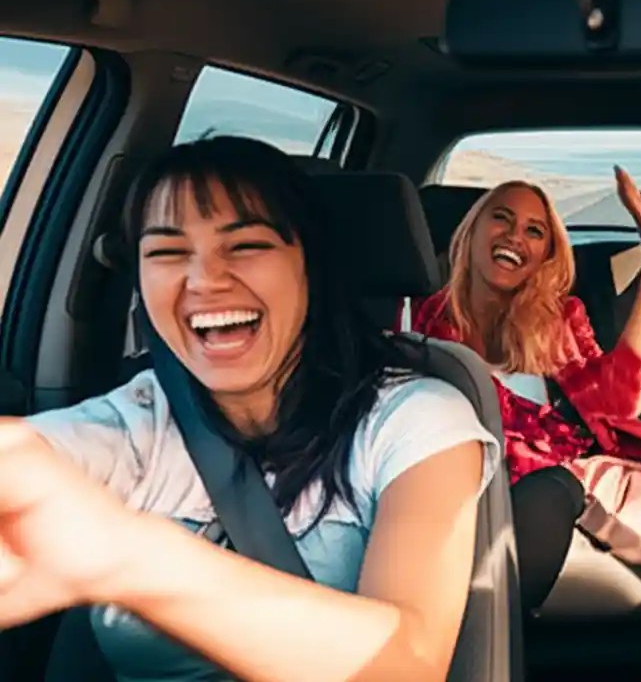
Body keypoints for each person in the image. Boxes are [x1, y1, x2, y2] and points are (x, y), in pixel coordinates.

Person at [0, 137, 501, 681]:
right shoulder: (138, 419)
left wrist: (128, 557)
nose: (204, 280)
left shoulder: (415, 419)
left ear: (310, 263)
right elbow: (32, 458)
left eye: (245, 246)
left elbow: (409, 665)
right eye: (166, 253)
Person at [410, 167, 641, 610]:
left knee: (551, 492)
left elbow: (618, 398)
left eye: (534, 231)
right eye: (502, 218)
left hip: (548, 491)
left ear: (546, 255)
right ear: (471, 230)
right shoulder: (414, 319)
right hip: (457, 489)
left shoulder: (559, 322)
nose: (515, 236)